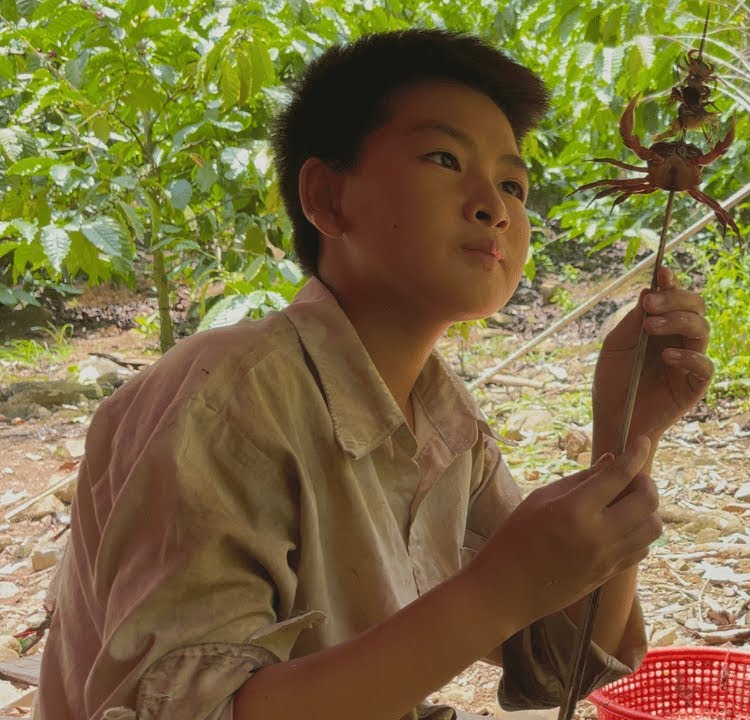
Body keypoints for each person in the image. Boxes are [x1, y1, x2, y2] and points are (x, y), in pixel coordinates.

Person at [35, 28, 713, 720]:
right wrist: (494, 591)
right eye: (445, 159)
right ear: (328, 199)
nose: (495, 206)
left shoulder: (445, 425)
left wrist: (625, 435)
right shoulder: (229, 398)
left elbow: (563, 666)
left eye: (513, 183)